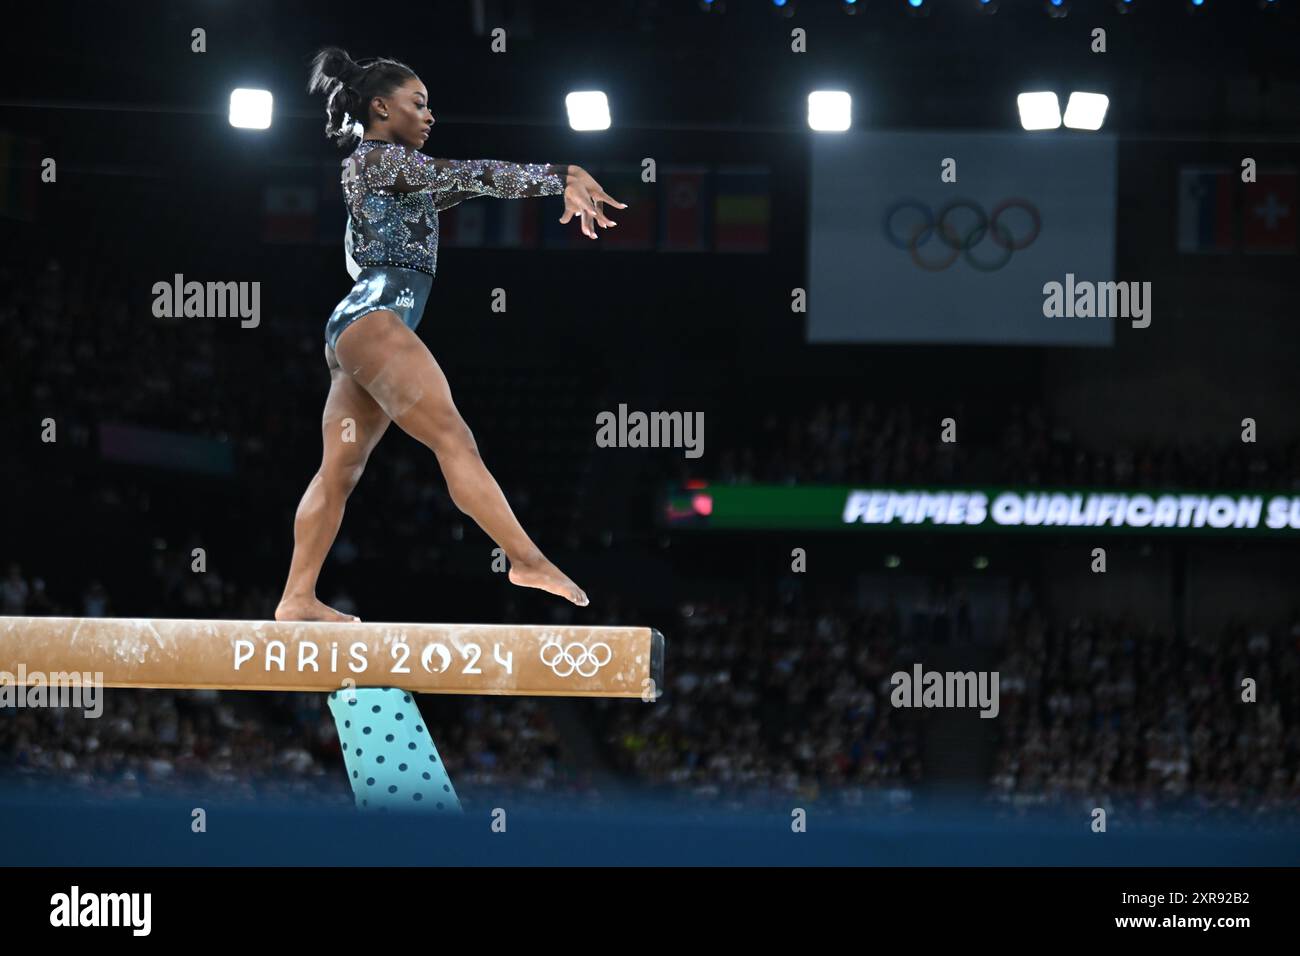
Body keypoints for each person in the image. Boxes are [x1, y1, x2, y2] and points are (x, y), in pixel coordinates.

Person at [277, 47, 625, 622]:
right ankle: (525, 559)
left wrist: (547, 183)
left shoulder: (392, 172)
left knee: (339, 470)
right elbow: (471, 173)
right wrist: (558, 174)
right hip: (375, 317)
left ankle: (296, 597)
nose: (430, 114)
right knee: (454, 440)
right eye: (419, 103)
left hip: (353, 328)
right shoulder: (379, 160)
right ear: (382, 108)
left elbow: (472, 185)